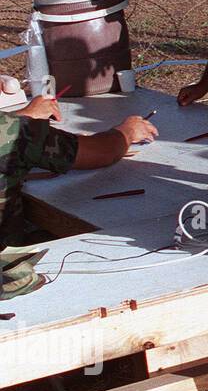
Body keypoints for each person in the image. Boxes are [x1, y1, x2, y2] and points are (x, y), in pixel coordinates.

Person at [1, 76, 157, 297]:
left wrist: (22, 117)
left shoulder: (12, 129)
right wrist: (128, 130)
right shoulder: (16, 133)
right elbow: (100, 152)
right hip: (6, 277)